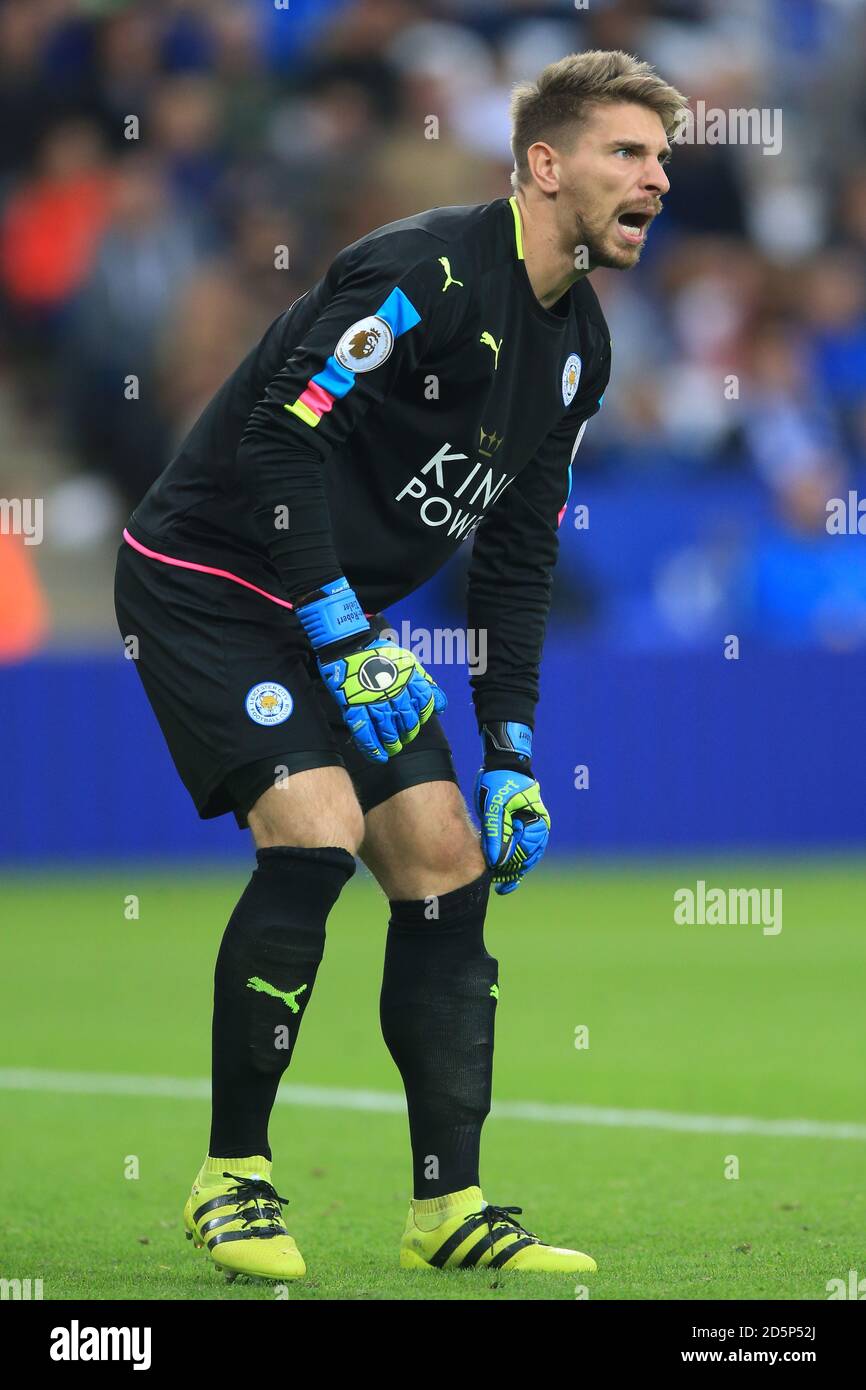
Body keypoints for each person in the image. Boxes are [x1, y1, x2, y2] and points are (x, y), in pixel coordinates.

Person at [114, 48, 684, 1282]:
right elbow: (274, 436)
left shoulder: (577, 349)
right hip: (209, 582)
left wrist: (512, 754)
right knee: (315, 830)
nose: (656, 178)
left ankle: (447, 1206)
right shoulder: (417, 272)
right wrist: (334, 627)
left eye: (661, 157)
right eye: (626, 153)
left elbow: (517, 558)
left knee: (443, 861)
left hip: (333, 615)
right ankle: (234, 1178)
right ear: (543, 164)